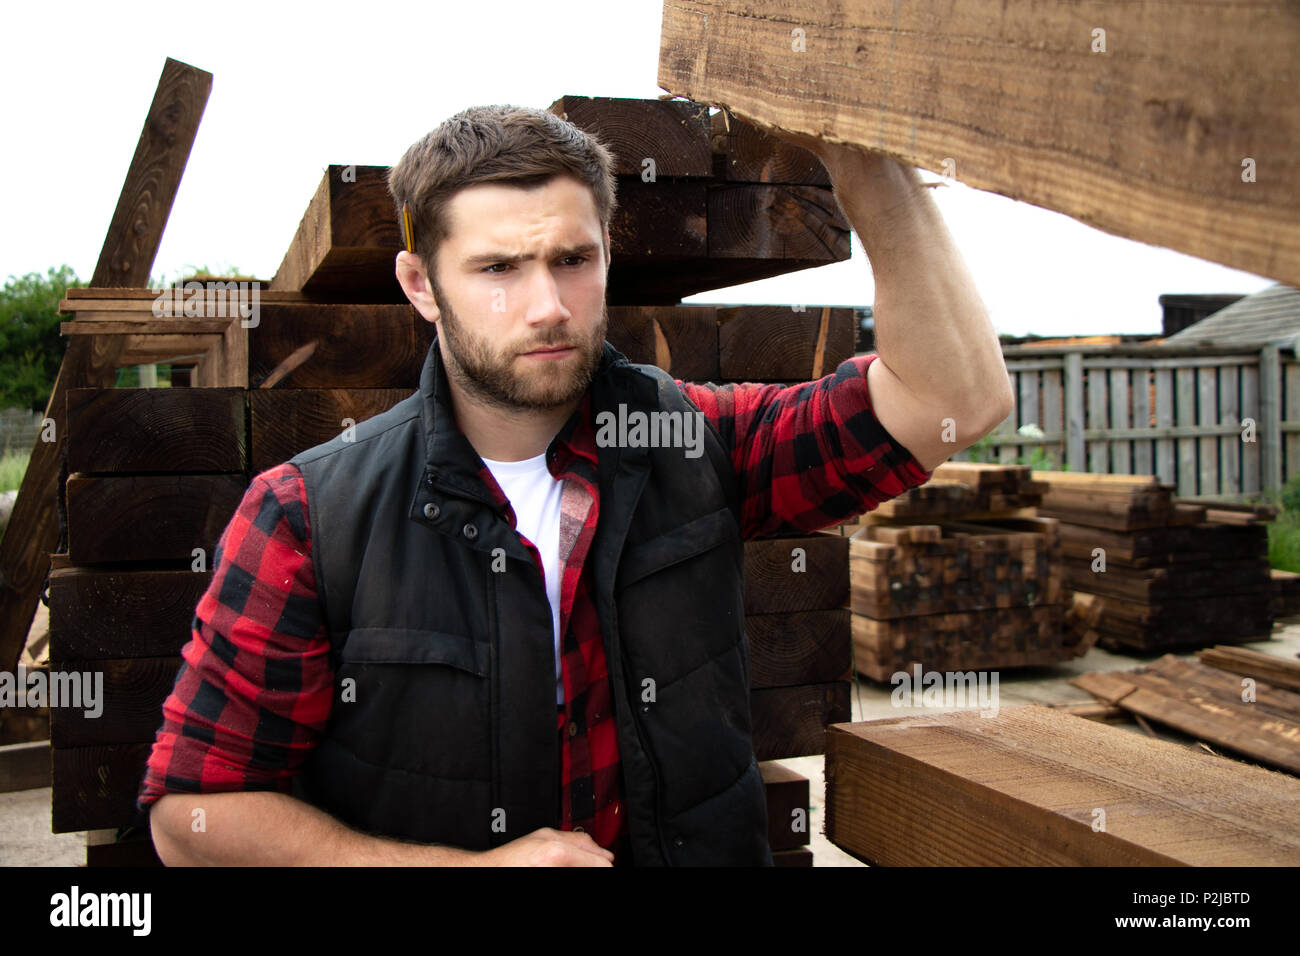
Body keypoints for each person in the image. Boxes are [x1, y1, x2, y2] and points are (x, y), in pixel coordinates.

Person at [140, 104, 1013, 866]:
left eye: (572, 259)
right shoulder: (310, 516)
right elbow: (194, 818)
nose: (549, 304)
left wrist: (862, 158)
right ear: (422, 286)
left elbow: (953, 399)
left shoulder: (695, 443)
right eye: (498, 270)